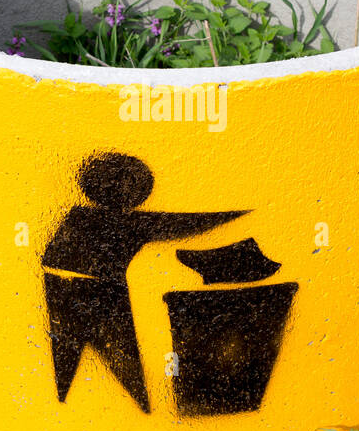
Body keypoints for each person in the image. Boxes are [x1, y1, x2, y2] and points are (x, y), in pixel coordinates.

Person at [41, 152, 247, 412]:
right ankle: (137, 408)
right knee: (127, 372)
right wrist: (234, 215)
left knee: (73, 361)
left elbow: (179, 224)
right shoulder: (126, 221)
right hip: (101, 290)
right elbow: (183, 225)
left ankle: (74, 410)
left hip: (63, 285)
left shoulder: (79, 215)